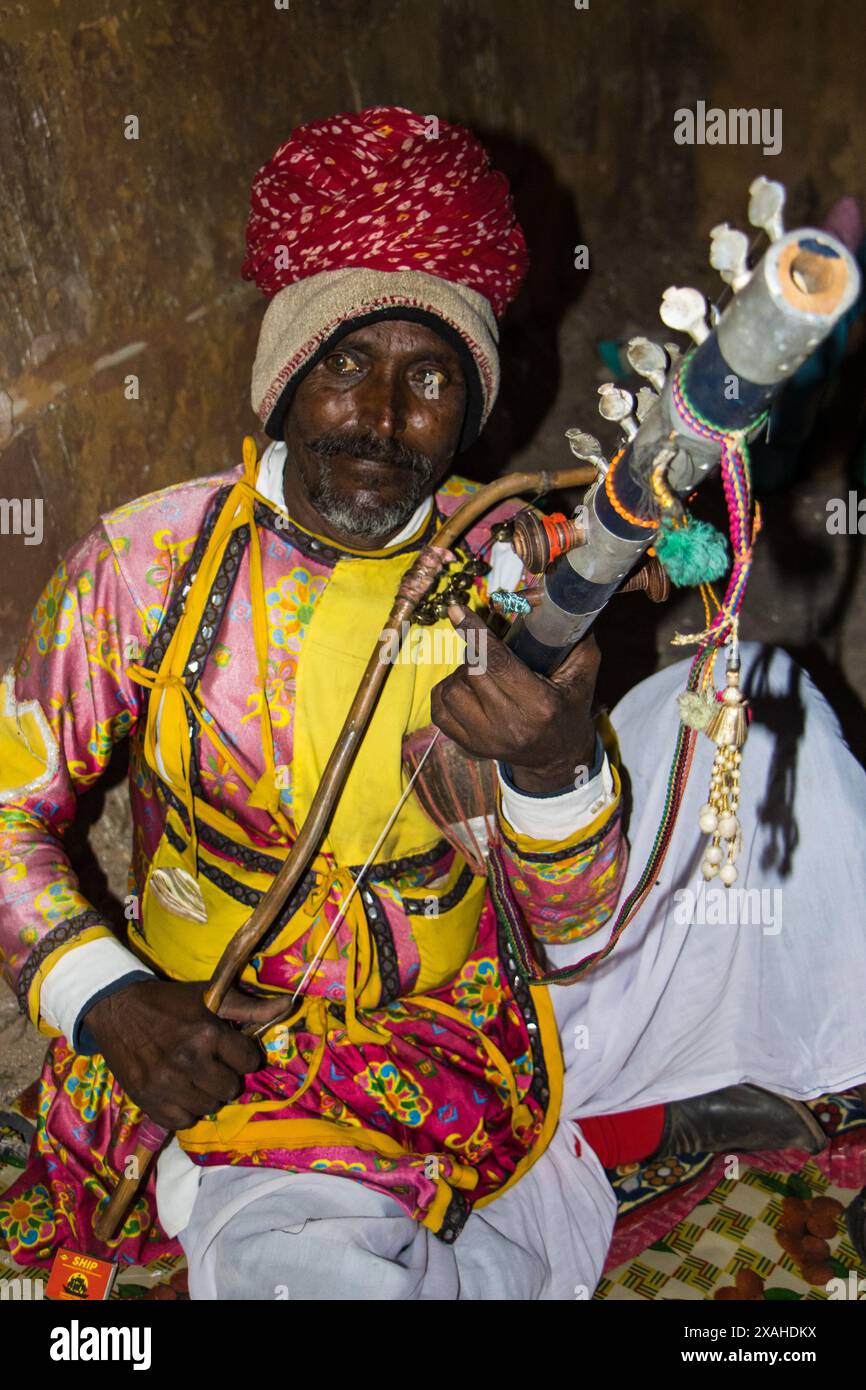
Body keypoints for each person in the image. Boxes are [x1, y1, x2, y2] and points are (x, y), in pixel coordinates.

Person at [1, 106, 864, 1300]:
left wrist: (557, 767)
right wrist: (109, 1001)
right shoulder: (147, 565)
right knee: (304, 1271)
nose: (381, 417)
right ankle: (601, 1134)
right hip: (242, 1056)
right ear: (285, 377)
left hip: (484, 1002)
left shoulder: (503, 552)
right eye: (347, 365)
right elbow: (6, 811)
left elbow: (566, 917)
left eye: (428, 380)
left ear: (469, 408)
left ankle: (607, 1111)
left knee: (763, 707)